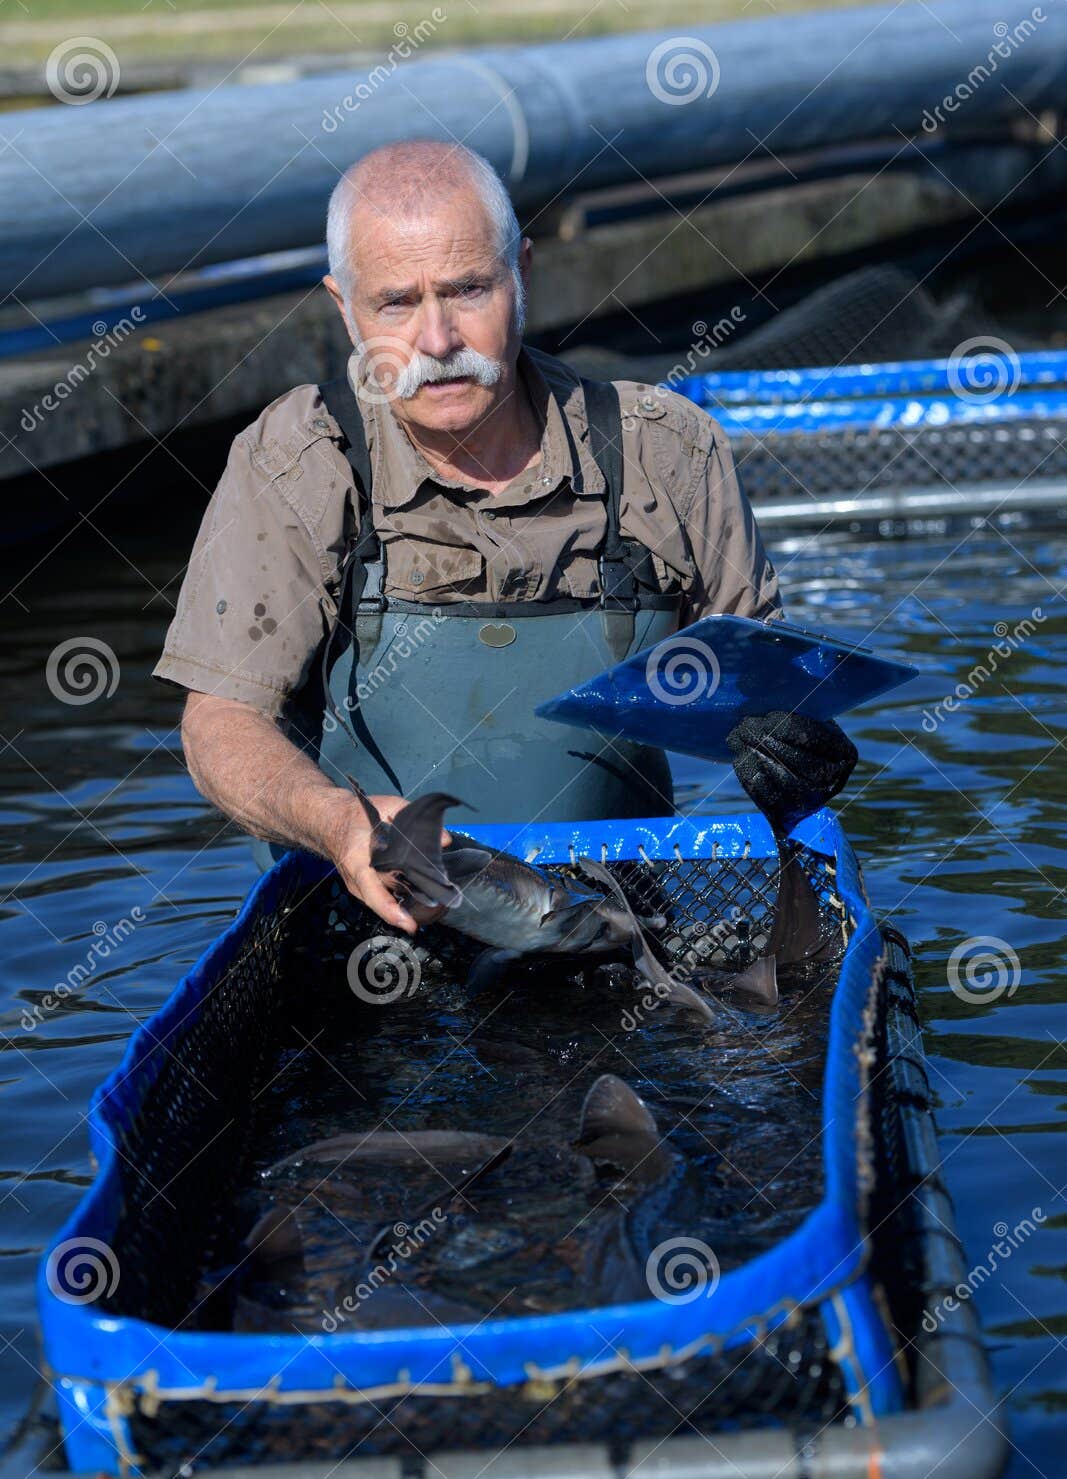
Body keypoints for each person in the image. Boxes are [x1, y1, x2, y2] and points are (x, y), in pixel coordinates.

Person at [156, 139, 847, 934]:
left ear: (522, 270)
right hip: (362, 933)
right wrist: (338, 824)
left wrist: (792, 741)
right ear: (342, 306)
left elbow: (759, 686)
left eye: (468, 289)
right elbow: (218, 724)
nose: (437, 340)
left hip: (607, 928)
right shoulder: (301, 459)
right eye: (394, 304)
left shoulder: (667, 448)